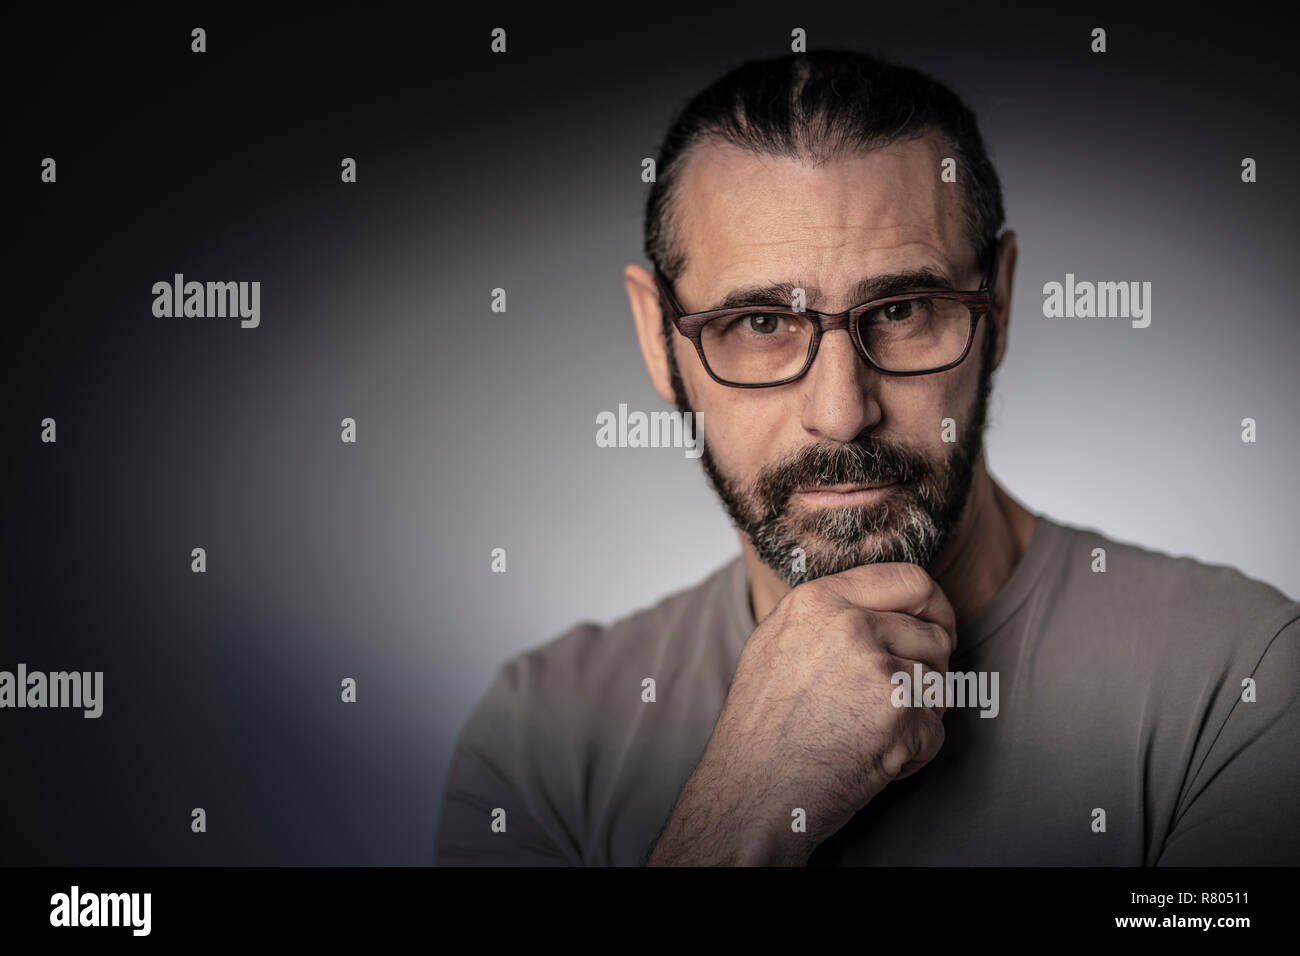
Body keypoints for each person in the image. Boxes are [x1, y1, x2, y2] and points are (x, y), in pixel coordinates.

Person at [435, 50, 1300, 866]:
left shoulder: (1239, 680)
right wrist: (736, 815)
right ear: (658, 340)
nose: (843, 414)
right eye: (762, 325)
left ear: (995, 300)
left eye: (902, 310)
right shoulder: (541, 732)